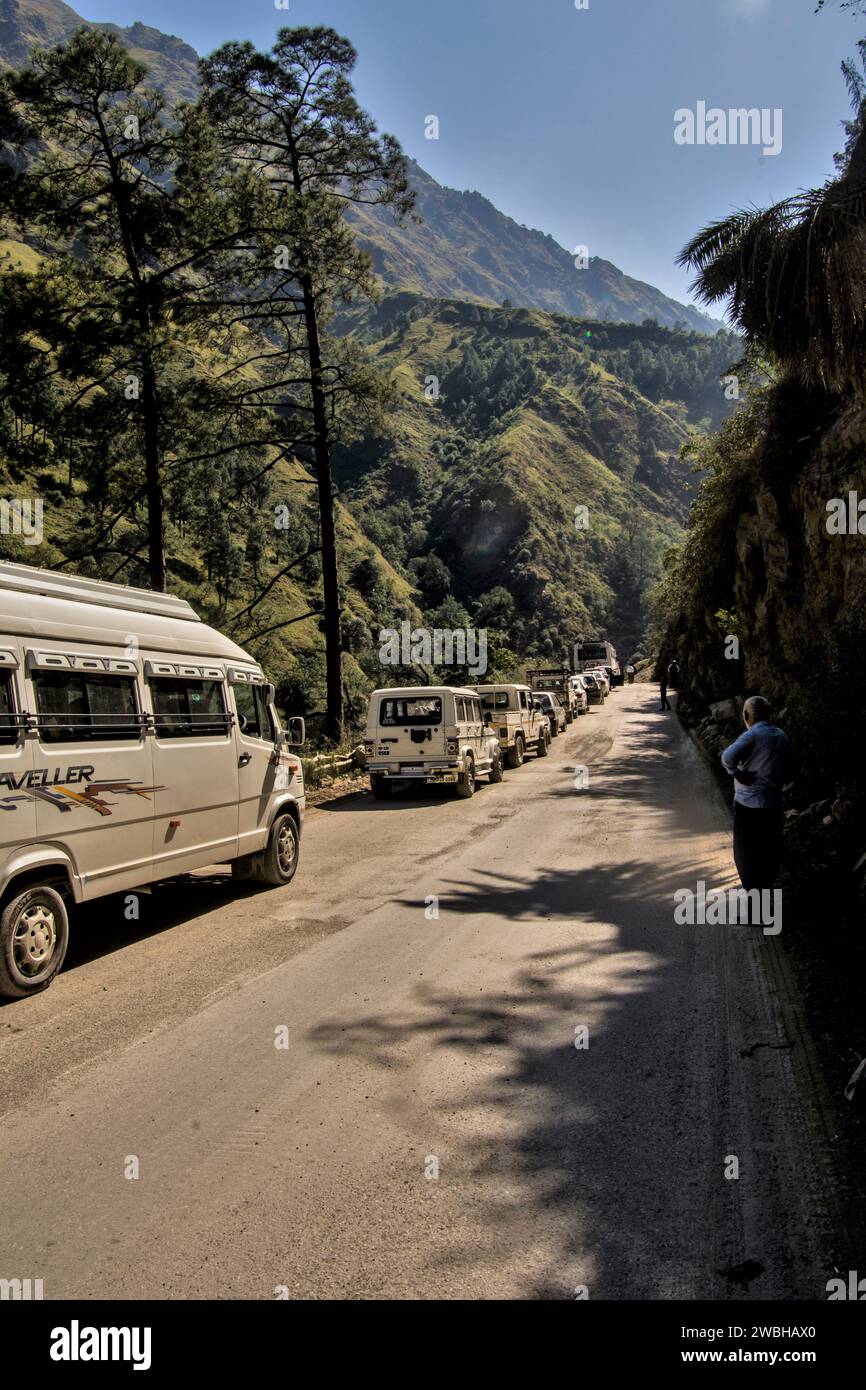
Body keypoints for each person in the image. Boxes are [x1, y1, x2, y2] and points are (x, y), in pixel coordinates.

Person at [721, 695, 790, 892]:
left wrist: (737, 774)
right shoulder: (781, 735)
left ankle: (754, 910)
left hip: (748, 807)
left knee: (746, 858)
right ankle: (763, 902)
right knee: (769, 856)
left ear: (746, 715)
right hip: (773, 805)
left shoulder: (752, 735)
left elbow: (727, 757)